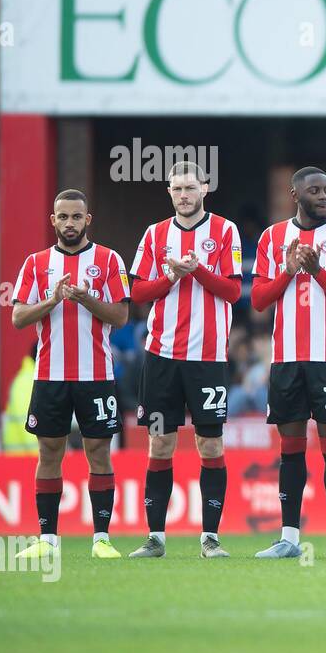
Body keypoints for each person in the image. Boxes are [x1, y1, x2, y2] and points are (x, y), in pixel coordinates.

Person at [127, 162, 242, 559]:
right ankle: (155, 537)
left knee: (210, 444)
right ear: (169, 191)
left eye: (190, 187)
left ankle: (210, 536)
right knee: (160, 443)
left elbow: (232, 291)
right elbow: (138, 293)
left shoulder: (225, 231)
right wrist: (173, 278)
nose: (183, 195)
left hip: (208, 360)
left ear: (205, 188)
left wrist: (198, 271)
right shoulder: (155, 234)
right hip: (162, 359)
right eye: (177, 188)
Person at [251, 167, 326, 559]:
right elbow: (259, 300)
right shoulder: (272, 237)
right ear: (294, 194)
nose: (323, 196)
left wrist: (316, 272)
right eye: (314, 190)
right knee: (291, 448)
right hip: (286, 359)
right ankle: (288, 537)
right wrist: (288, 270)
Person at [12, 191, 131, 562]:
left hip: (96, 374)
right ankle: (48, 539)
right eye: (62, 217)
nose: (69, 224)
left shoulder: (109, 260)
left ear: (87, 220)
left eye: (76, 217)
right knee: (49, 452)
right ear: (53, 221)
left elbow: (120, 316)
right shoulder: (35, 263)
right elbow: (18, 318)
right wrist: (52, 299)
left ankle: (101, 539)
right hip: (50, 376)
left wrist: (85, 299)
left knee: (98, 452)